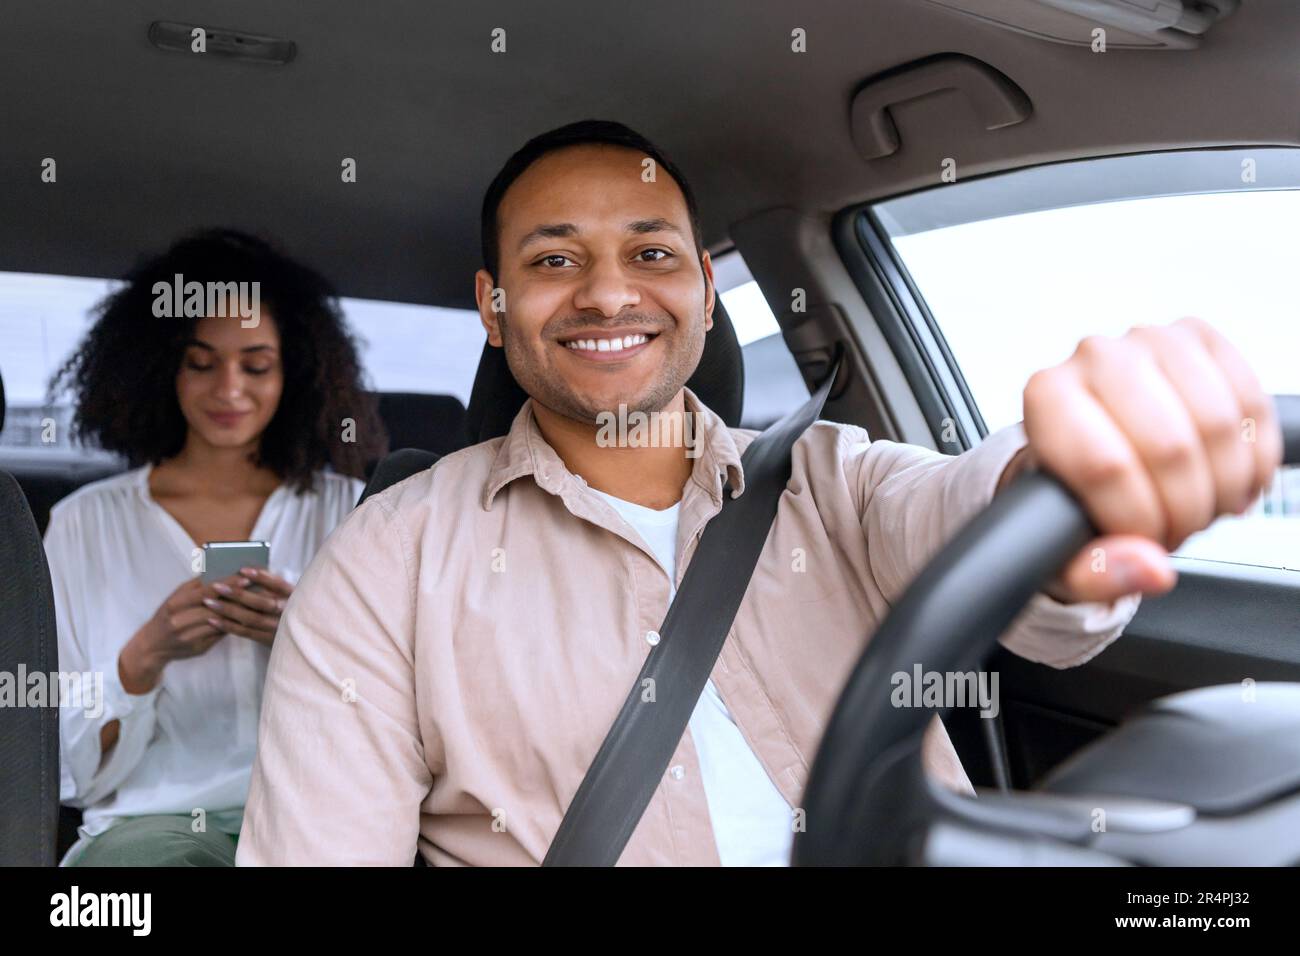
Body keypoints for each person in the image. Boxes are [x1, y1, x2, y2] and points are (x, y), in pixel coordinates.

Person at [237, 121, 1283, 866]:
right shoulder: (383, 564)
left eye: (648, 253)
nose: (608, 292)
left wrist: (1059, 484)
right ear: (494, 306)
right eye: (555, 260)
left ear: (699, 285)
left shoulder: (833, 477)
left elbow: (965, 507)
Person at [47, 228, 385, 866]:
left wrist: (307, 637)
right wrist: (143, 658)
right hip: (153, 830)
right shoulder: (82, 526)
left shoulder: (356, 513)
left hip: (324, 821)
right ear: (159, 368)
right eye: (201, 363)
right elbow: (64, 774)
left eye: (256, 365)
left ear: (297, 372)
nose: (229, 390)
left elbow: (414, 721)